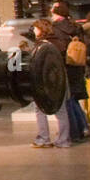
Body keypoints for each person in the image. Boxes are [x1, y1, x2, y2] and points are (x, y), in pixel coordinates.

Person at [30, 18, 72, 148]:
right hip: (60, 80)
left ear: (40, 30)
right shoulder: (58, 42)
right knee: (61, 111)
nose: (34, 30)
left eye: (35, 28)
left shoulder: (41, 45)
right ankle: (63, 140)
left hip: (44, 82)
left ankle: (43, 138)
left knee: (40, 109)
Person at [51, 1, 89, 142]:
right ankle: (83, 127)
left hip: (66, 66)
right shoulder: (75, 27)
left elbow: (59, 49)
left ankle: (74, 132)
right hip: (77, 65)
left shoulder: (56, 29)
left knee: (68, 100)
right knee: (73, 99)